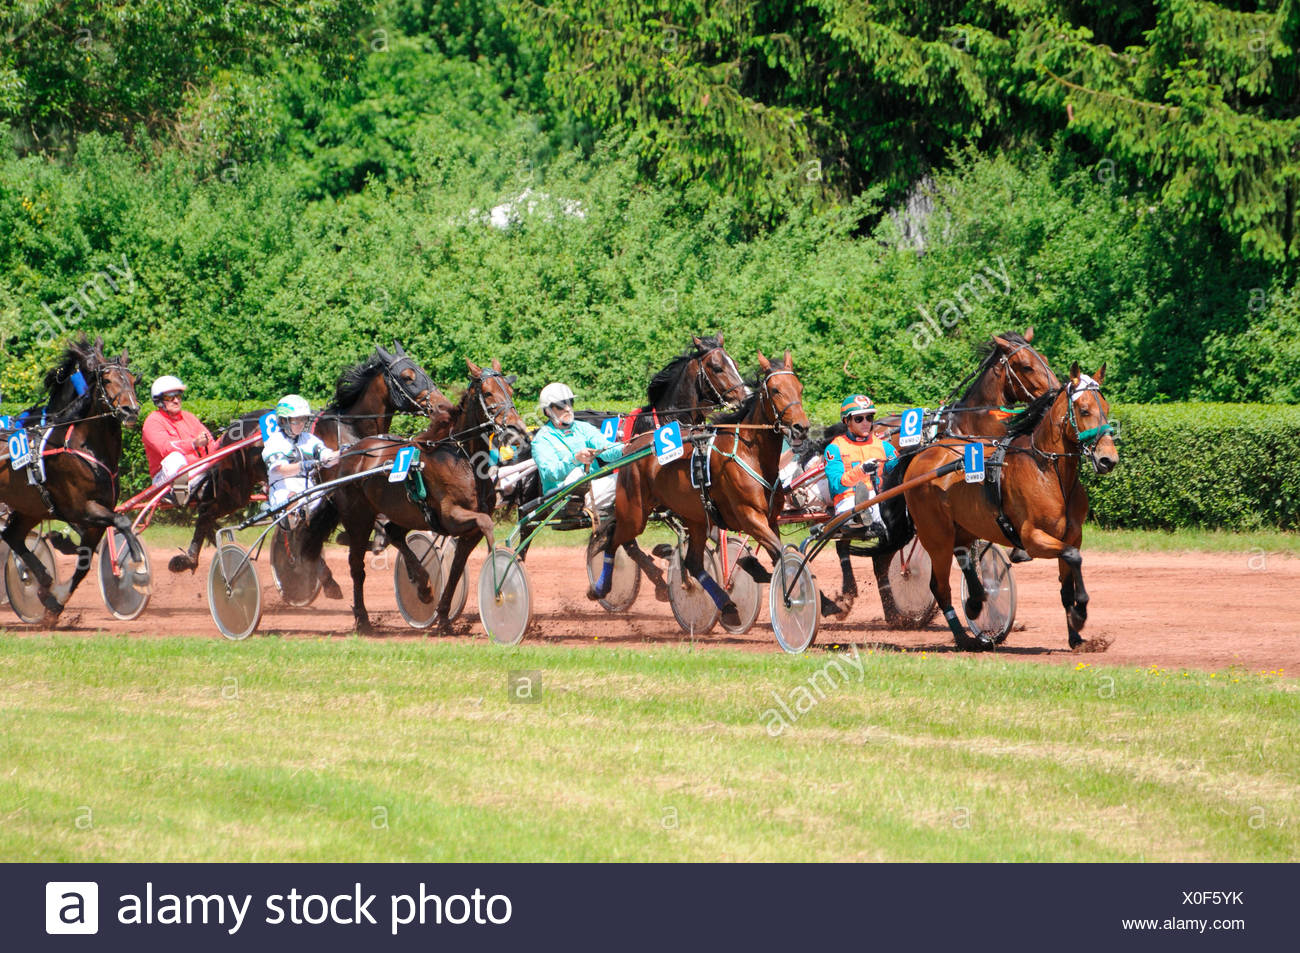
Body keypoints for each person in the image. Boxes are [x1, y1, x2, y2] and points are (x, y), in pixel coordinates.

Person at [531, 382, 623, 518]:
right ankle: (576, 504)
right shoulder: (541, 440)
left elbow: (606, 448)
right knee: (577, 472)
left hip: (595, 490)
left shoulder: (584, 428)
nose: (568, 408)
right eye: (561, 405)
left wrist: (626, 448)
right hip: (559, 499)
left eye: (570, 403)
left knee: (629, 475)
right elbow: (548, 473)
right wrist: (575, 459)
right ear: (547, 411)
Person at [823, 394, 897, 536]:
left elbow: (898, 471)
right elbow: (836, 485)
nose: (865, 423)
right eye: (859, 419)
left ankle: (869, 514)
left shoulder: (884, 447)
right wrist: (861, 470)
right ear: (847, 421)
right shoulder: (834, 448)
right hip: (847, 501)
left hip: (878, 499)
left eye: (869, 418)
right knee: (860, 505)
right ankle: (862, 513)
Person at [261, 394, 340, 520]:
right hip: (283, 488)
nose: (301, 424)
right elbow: (280, 469)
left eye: (303, 419)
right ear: (283, 421)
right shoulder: (274, 441)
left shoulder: (310, 439)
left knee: (334, 501)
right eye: (296, 420)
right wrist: (301, 466)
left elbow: (327, 457)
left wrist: (343, 453)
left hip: (309, 488)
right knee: (292, 501)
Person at [142, 375, 215, 503]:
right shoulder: (153, 421)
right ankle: (180, 495)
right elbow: (165, 449)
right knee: (175, 457)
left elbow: (211, 445)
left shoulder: (189, 417)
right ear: (159, 400)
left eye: (178, 396)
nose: (176, 401)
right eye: (170, 397)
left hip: (193, 472)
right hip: (165, 479)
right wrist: (193, 443)